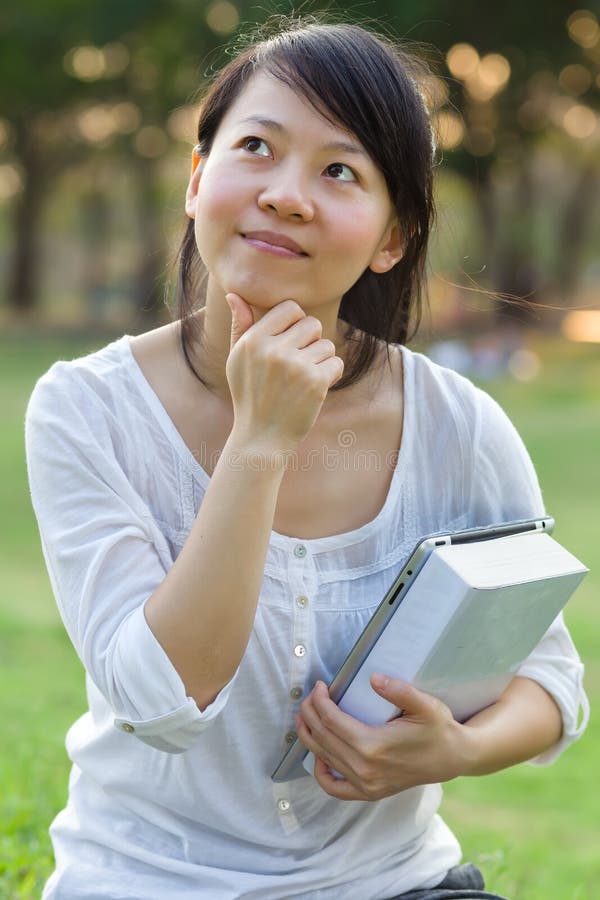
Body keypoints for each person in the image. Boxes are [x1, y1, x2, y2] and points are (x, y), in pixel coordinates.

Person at [25, 17, 589, 900]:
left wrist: (460, 748)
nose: (287, 195)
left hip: (398, 882)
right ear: (197, 178)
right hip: (147, 882)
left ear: (391, 238)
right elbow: (158, 704)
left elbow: (549, 677)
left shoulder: (457, 425)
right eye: (256, 146)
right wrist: (259, 445)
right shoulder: (86, 409)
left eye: (340, 171)